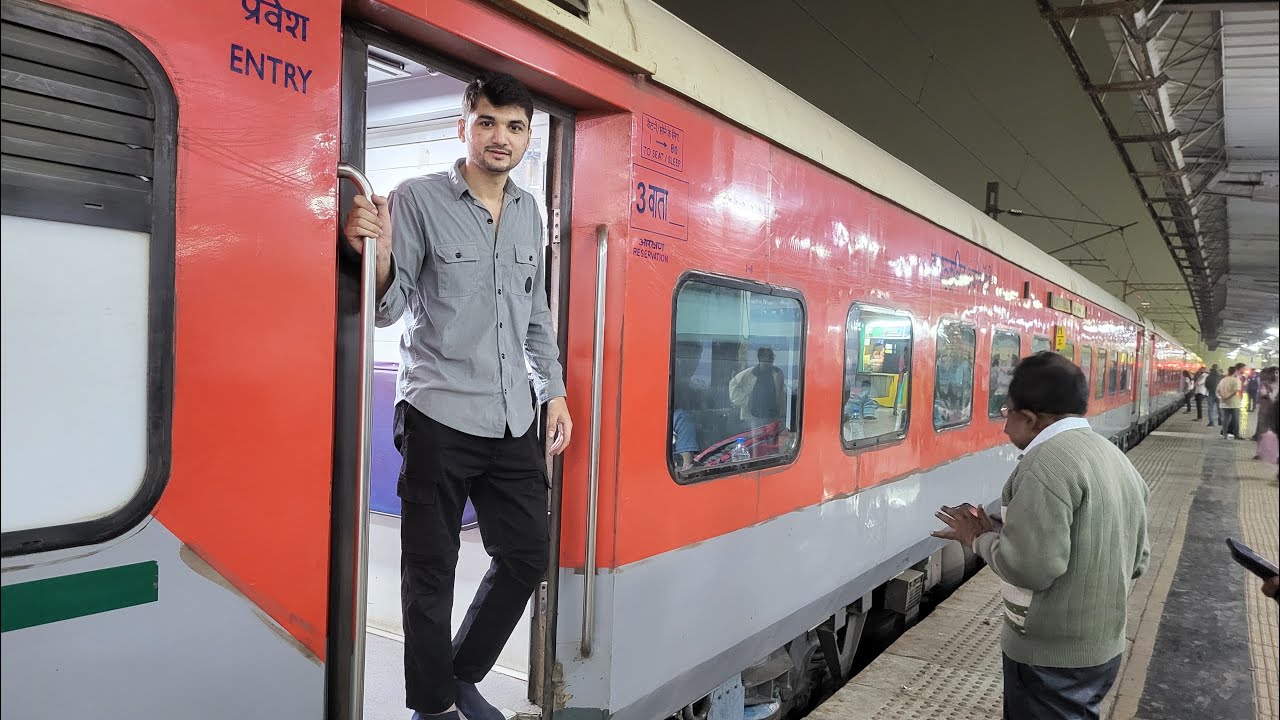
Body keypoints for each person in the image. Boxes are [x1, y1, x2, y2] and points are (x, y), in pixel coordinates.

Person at [343, 72, 572, 720]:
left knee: (528, 552)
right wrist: (378, 256)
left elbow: (534, 317)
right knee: (430, 572)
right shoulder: (417, 201)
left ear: (528, 136)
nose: (501, 137)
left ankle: (461, 671)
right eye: (488, 122)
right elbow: (386, 308)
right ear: (464, 127)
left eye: (515, 126)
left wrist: (552, 392)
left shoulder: (530, 212)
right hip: (438, 412)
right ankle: (433, 707)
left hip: (510, 417)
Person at [932, 352, 1149, 720]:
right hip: (1101, 650)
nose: (1004, 427)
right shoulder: (1114, 458)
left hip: (1050, 658)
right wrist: (1011, 531)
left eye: (1007, 413)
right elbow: (1138, 560)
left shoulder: (1044, 464)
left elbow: (1030, 570)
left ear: (1030, 418)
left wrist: (977, 538)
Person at [729, 347, 786, 429]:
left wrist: (782, 415)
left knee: (772, 441)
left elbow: (781, 394)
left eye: (770, 357)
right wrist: (745, 400)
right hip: (753, 417)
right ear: (760, 358)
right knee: (757, 441)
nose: (769, 360)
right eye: (766, 357)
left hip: (773, 416)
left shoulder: (777, 373)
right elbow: (733, 384)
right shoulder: (749, 373)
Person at [1217, 364, 1245, 440]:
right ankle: (1236, 435)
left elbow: (1217, 391)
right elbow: (1236, 391)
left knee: (1225, 419)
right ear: (1235, 371)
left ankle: (1224, 434)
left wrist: (1221, 398)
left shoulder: (1223, 380)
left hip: (1223, 403)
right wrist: (1227, 397)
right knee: (1236, 419)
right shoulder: (1236, 380)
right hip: (1234, 403)